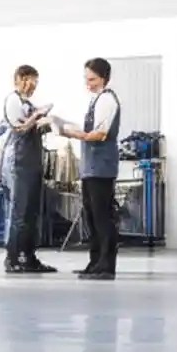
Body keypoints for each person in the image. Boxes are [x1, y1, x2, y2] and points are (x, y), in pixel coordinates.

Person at [63, 58, 122, 281]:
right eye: (86, 79)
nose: (88, 84)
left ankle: (106, 266)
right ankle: (95, 262)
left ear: (104, 78)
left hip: (102, 167)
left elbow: (99, 134)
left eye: (93, 79)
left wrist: (70, 133)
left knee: (102, 216)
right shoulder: (95, 100)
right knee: (91, 216)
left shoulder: (107, 100)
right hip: (91, 167)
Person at [1, 65, 56, 274]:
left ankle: (29, 257)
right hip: (19, 162)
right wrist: (37, 115)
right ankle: (14, 258)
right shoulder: (13, 100)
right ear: (19, 80)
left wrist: (45, 122)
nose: (32, 87)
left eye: (35, 83)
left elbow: (32, 127)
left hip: (32, 162)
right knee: (20, 212)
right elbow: (20, 128)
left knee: (32, 213)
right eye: (29, 82)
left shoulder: (28, 104)